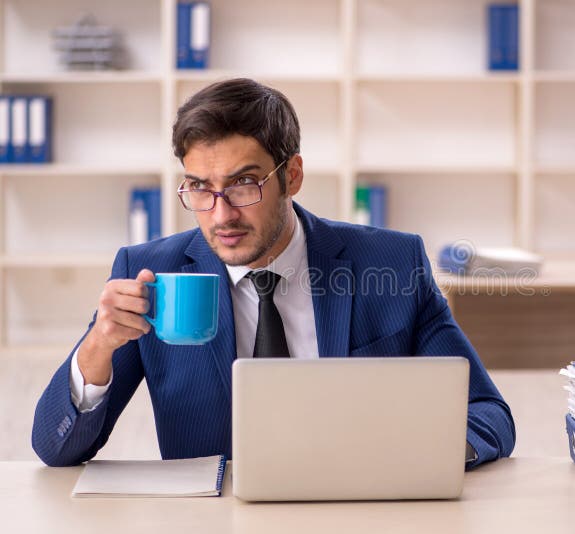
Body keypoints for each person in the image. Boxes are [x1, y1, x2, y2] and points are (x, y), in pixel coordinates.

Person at [31, 78, 515, 468]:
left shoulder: (391, 265)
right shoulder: (150, 275)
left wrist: (419, 459)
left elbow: (488, 414)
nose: (220, 216)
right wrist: (97, 346)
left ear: (293, 176)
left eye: (244, 184)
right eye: (200, 187)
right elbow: (56, 449)